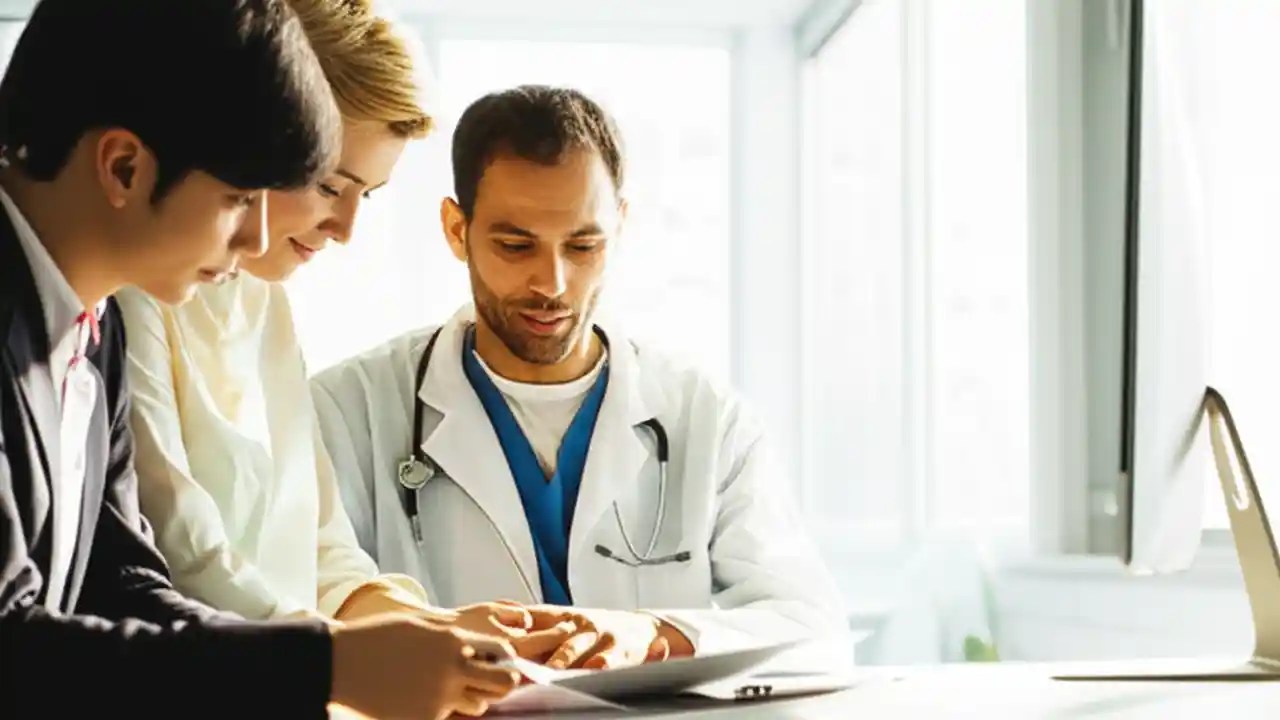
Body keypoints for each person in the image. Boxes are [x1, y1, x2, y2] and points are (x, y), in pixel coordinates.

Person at [0, 2, 517, 718]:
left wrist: (366, 652)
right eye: (243, 196)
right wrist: (328, 666)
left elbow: (122, 583)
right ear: (123, 167)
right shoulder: (101, 308)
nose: (257, 236)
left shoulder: (93, 328)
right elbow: (14, 647)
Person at [311, 85, 852, 671]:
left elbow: (811, 631)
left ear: (619, 226)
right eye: (515, 245)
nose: (553, 283)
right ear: (455, 229)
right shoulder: (348, 410)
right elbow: (300, 607)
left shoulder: (708, 418)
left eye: (584, 245)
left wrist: (657, 635)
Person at [115, 0, 543, 650]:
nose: (346, 229)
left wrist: (436, 629)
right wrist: (347, 661)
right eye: (327, 186)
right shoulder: (132, 295)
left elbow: (323, 546)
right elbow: (184, 551)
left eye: (365, 196)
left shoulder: (264, 301)